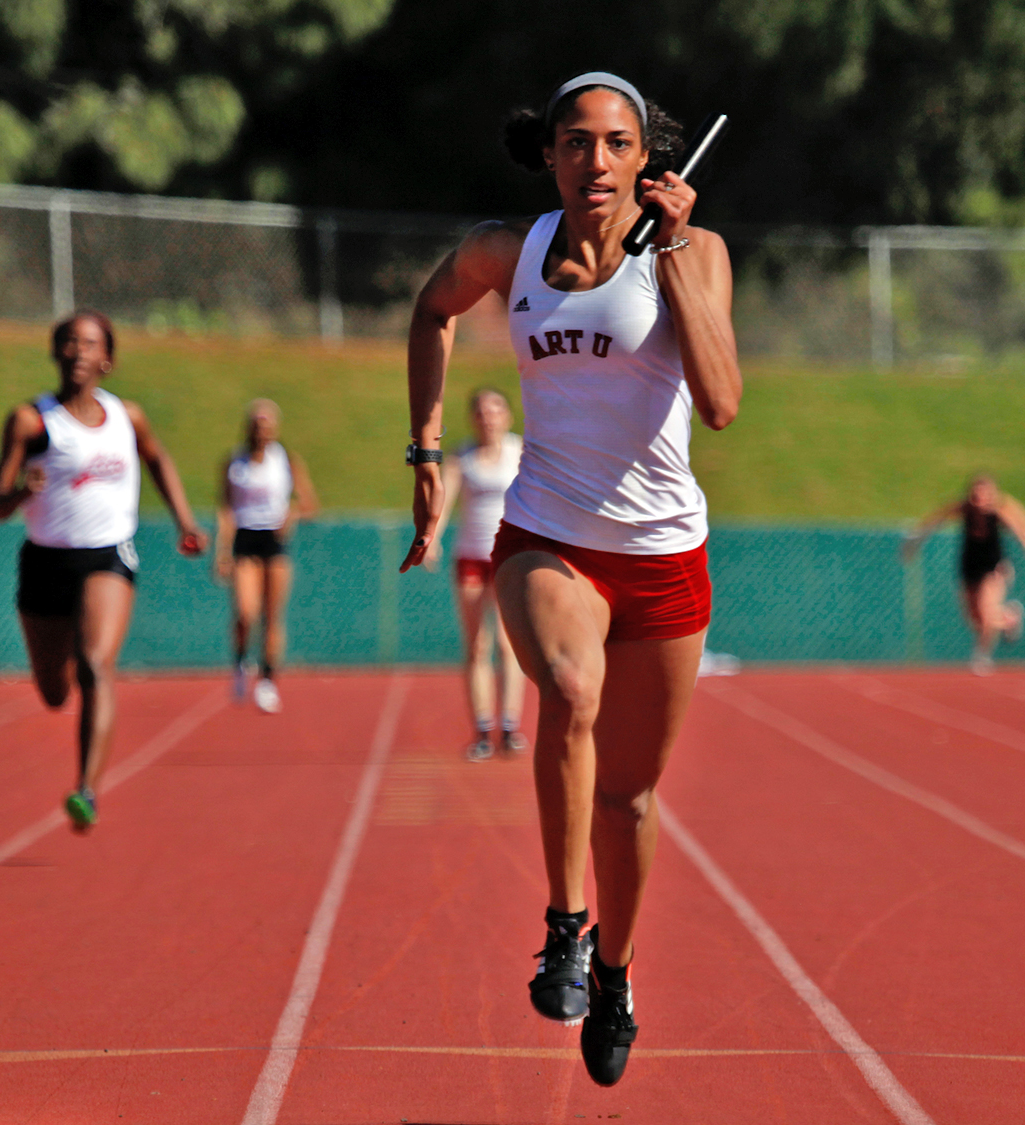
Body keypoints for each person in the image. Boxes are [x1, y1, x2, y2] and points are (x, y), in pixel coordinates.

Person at [398, 72, 739, 1087]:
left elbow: (719, 401)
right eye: (574, 142)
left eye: (616, 143)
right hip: (548, 535)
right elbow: (431, 309)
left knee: (629, 800)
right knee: (570, 690)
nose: (594, 159)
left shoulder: (698, 252)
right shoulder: (513, 252)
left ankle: (619, 974)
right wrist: (423, 454)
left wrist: (672, 252)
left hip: (665, 558)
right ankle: (565, 926)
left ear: (647, 157)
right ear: (547, 154)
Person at [0, 310, 208, 831]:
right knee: (56, 691)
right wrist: (22, 491)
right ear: (55, 352)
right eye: (68, 341)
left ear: (107, 359)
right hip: (44, 561)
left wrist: (184, 520)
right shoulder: (31, 421)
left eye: (89, 343)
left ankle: (87, 789)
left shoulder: (128, 417)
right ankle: (65, 677)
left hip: (107, 555)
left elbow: (158, 460)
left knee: (95, 665)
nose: (78, 351)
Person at [425, 387, 527, 761]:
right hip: (470, 557)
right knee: (477, 645)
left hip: (509, 557)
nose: (489, 417)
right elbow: (445, 499)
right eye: (481, 411)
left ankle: (510, 727)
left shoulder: (521, 450)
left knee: (506, 643)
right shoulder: (462, 457)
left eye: (495, 410)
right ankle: (483, 730)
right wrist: (432, 537)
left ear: (508, 416)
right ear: (473, 418)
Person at [216, 399, 318, 713]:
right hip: (246, 539)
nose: (263, 432)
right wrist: (222, 551)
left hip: (274, 541)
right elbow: (226, 509)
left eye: (268, 426)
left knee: (272, 616)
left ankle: (268, 681)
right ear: (248, 427)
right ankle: (240, 662)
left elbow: (310, 503)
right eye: (258, 425)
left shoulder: (286, 460)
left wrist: (292, 515)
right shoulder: (234, 462)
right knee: (246, 612)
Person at [903, 474, 1025, 674]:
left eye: (984, 496)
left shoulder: (1001, 510)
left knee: (986, 609)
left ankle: (982, 656)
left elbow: (1024, 533)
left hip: (994, 566)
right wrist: (915, 540)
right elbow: (936, 518)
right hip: (970, 566)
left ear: (992, 496)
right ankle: (1009, 617)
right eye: (975, 496)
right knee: (974, 617)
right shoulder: (964, 508)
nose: (979, 501)